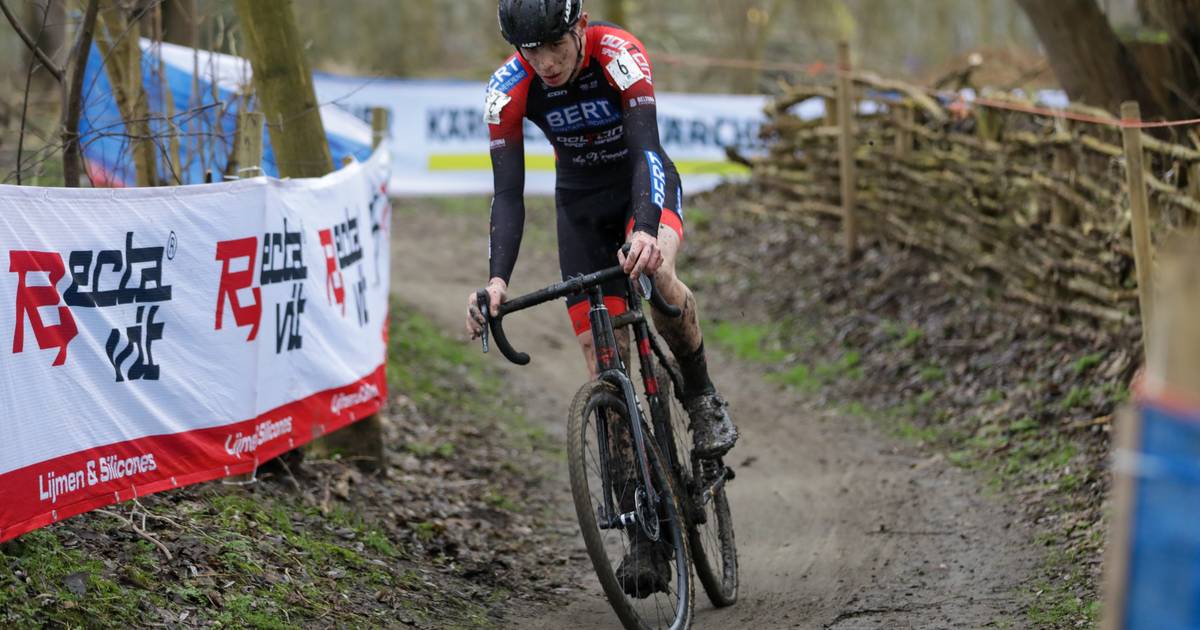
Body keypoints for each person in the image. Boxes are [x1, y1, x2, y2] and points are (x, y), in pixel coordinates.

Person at [465, 0, 739, 596]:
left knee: (659, 276)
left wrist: (644, 228)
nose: (542, 63)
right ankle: (643, 533)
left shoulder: (619, 52)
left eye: (553, 46)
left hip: (643, 186)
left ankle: (700, 394)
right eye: (527, 50)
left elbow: (646, 147)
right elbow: (508, 194)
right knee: (602, 360)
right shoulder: (506, 88)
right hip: (581, 208)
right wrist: (496, 281)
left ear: (580, 28)